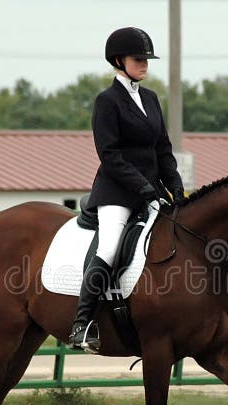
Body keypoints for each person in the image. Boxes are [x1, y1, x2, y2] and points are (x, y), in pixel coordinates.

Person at [69, 26, 185, 352]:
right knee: (108, 249)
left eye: (147, 59)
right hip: (117, 193)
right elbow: (110, 155)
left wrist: (175, 187)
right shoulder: (107, 101)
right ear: (119, 61)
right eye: (138, 59)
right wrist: (144, 188)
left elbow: (163, 149)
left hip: (152, 192)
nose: (144, 64)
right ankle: (82, 324)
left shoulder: (150, 98)